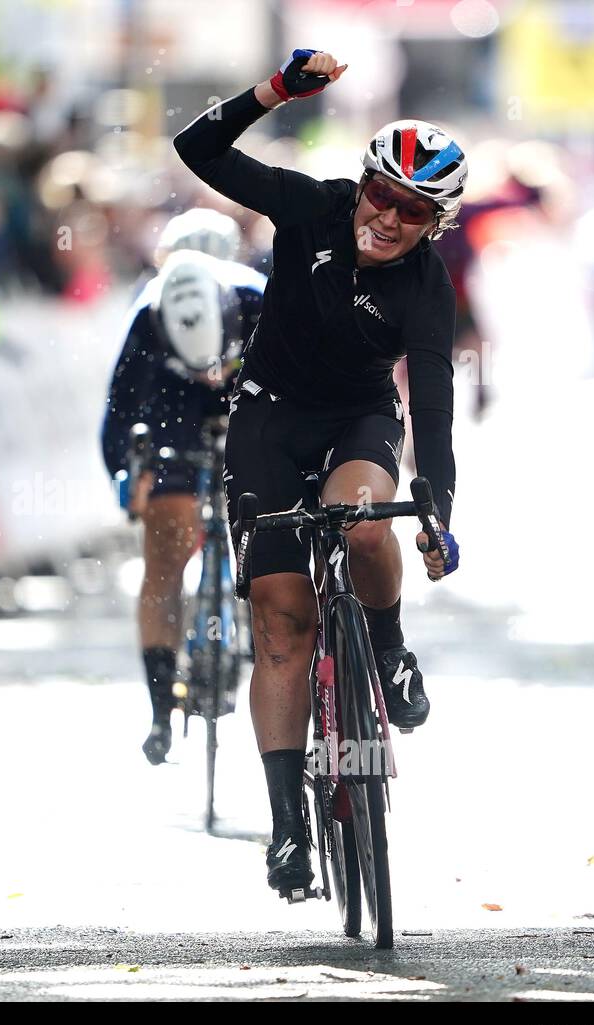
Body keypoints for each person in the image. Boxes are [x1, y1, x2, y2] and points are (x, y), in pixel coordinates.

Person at [173, 49, 461, 896]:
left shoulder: (426, 286)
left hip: (359, 419)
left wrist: (439, 508)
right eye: (382, 194)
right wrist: (276, 91)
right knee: (281, 619)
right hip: (267, 415)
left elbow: (435, 400)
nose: (388, 218)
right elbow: (197, 149)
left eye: (413, 211)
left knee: (369, 523)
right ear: (363, 182)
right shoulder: (311, 207)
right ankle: (289, 827)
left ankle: (391, 648)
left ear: (433, 223)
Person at [101, 246, 265, 764]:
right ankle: (159, 703)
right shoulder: (146, 323)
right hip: (175, 401)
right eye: (203, 367)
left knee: (270, 512)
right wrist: (130, 480)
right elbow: (118, 420)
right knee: (166, 542)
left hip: (254, 380)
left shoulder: (259, 302)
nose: (210, 376)